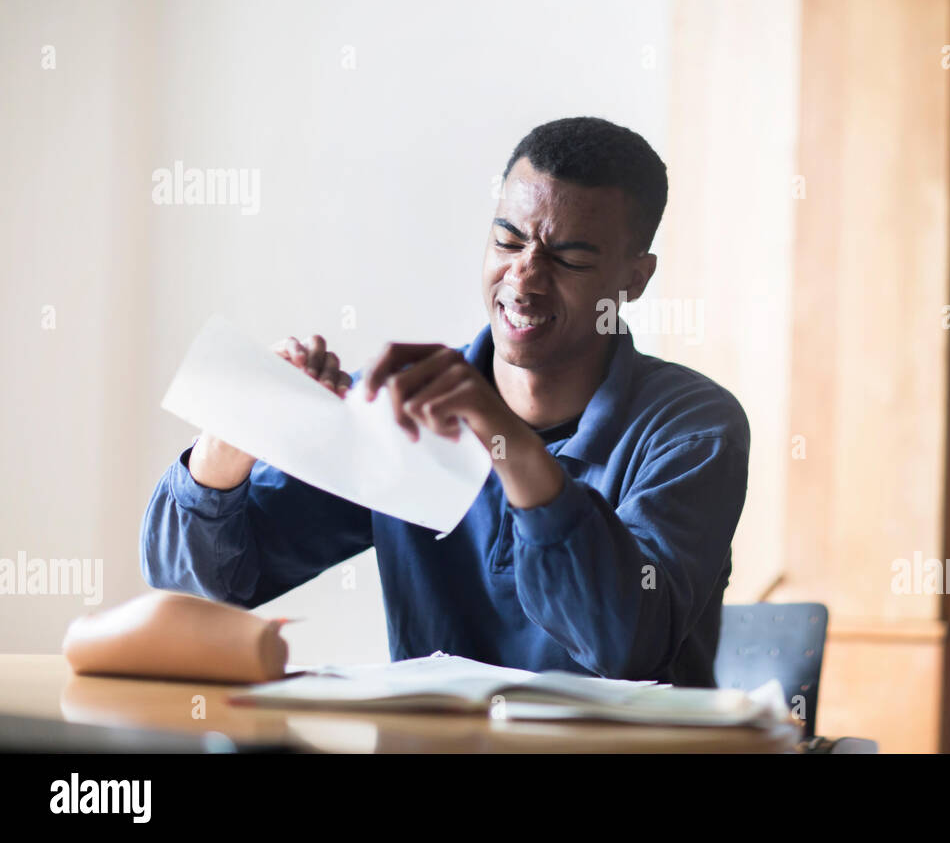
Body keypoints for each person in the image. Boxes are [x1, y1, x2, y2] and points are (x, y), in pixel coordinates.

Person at [140, 116, 750, 686]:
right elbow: (198, 589)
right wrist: (242, 434)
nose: (524, 278)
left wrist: (500, 436)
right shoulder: (409, 413)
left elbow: (622, 641)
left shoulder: (692, 429)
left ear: (634, 280)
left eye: (569, 258)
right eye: (508, 240)